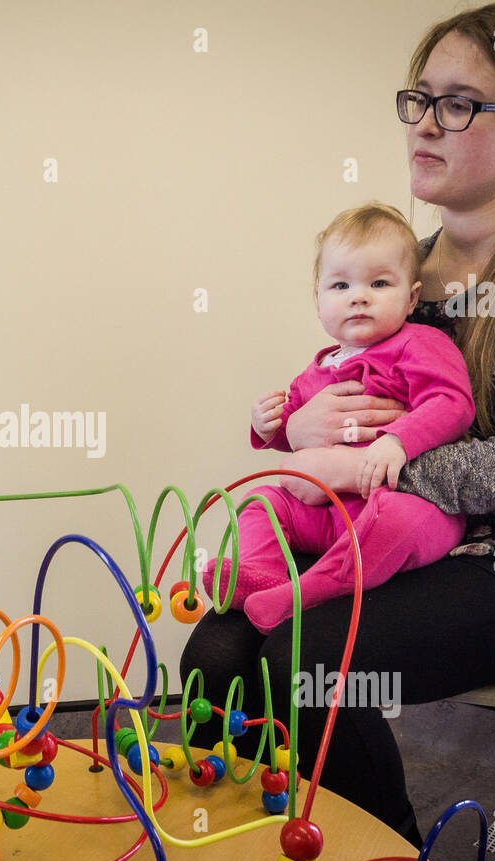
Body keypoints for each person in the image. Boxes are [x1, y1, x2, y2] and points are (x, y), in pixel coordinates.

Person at [180, 0, 495, 846]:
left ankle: (387, 852)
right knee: (214, 657)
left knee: (309, 657)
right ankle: (266, 846)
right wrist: (301, 437)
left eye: (461, 103)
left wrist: (359, 466)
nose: (425, 125)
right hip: (397, 523)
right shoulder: (399, 267)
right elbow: (333, 397)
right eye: (421, 98)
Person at [202, 202, 475, 634]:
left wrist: (397, 441)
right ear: (318, 301)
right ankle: (259, 572)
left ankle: (306, 592)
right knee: (262, 504)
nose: (359, 295)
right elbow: (292, 433)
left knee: (402, 520)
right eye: (340, 284)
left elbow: (453, 404)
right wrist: (268, 425)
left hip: (388, 503)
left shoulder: (419, 344)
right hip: (325, 513)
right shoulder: (320, 367)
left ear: (412, 297)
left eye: (379, 283)